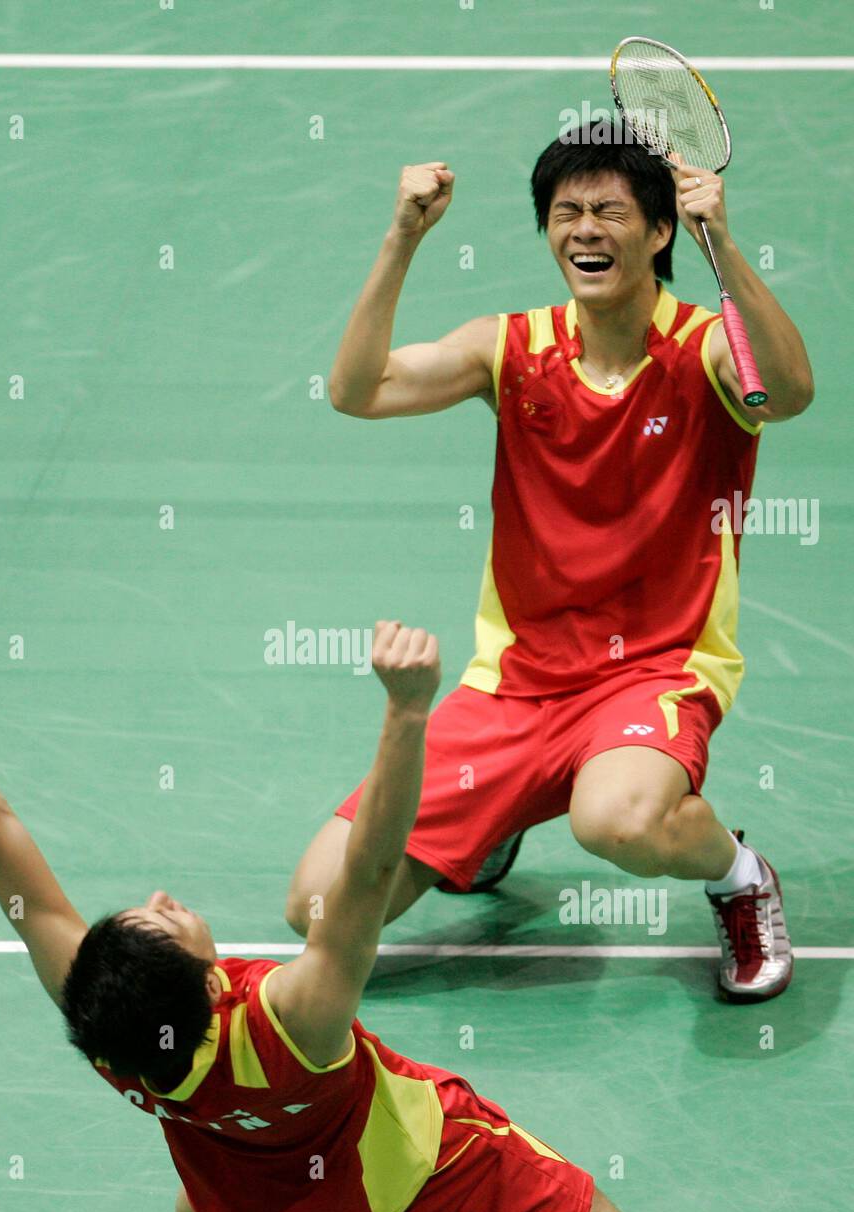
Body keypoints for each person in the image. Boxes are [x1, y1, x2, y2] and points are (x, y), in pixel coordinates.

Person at [0, 588, 681, 1212]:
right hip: (425, 1177)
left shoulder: (115, 1039)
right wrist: (405, 712)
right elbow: (368, 873)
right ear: (205, 980)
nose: (163, 898)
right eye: (166, 920)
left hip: (250, 1205)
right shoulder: (290, 1021)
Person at [287, 118, 815, 1001]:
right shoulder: (511, 348)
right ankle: (498, 816)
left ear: (657, 233)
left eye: (610, 211)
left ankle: (738, 878)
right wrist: (402, 238)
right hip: (516, 683)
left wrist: (719, 238)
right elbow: (357, 391)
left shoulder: (704, 348)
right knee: (316, 910)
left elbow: (789, 392)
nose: (583, 230)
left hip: (655, 669)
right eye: (565, 211)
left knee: (615, 820)